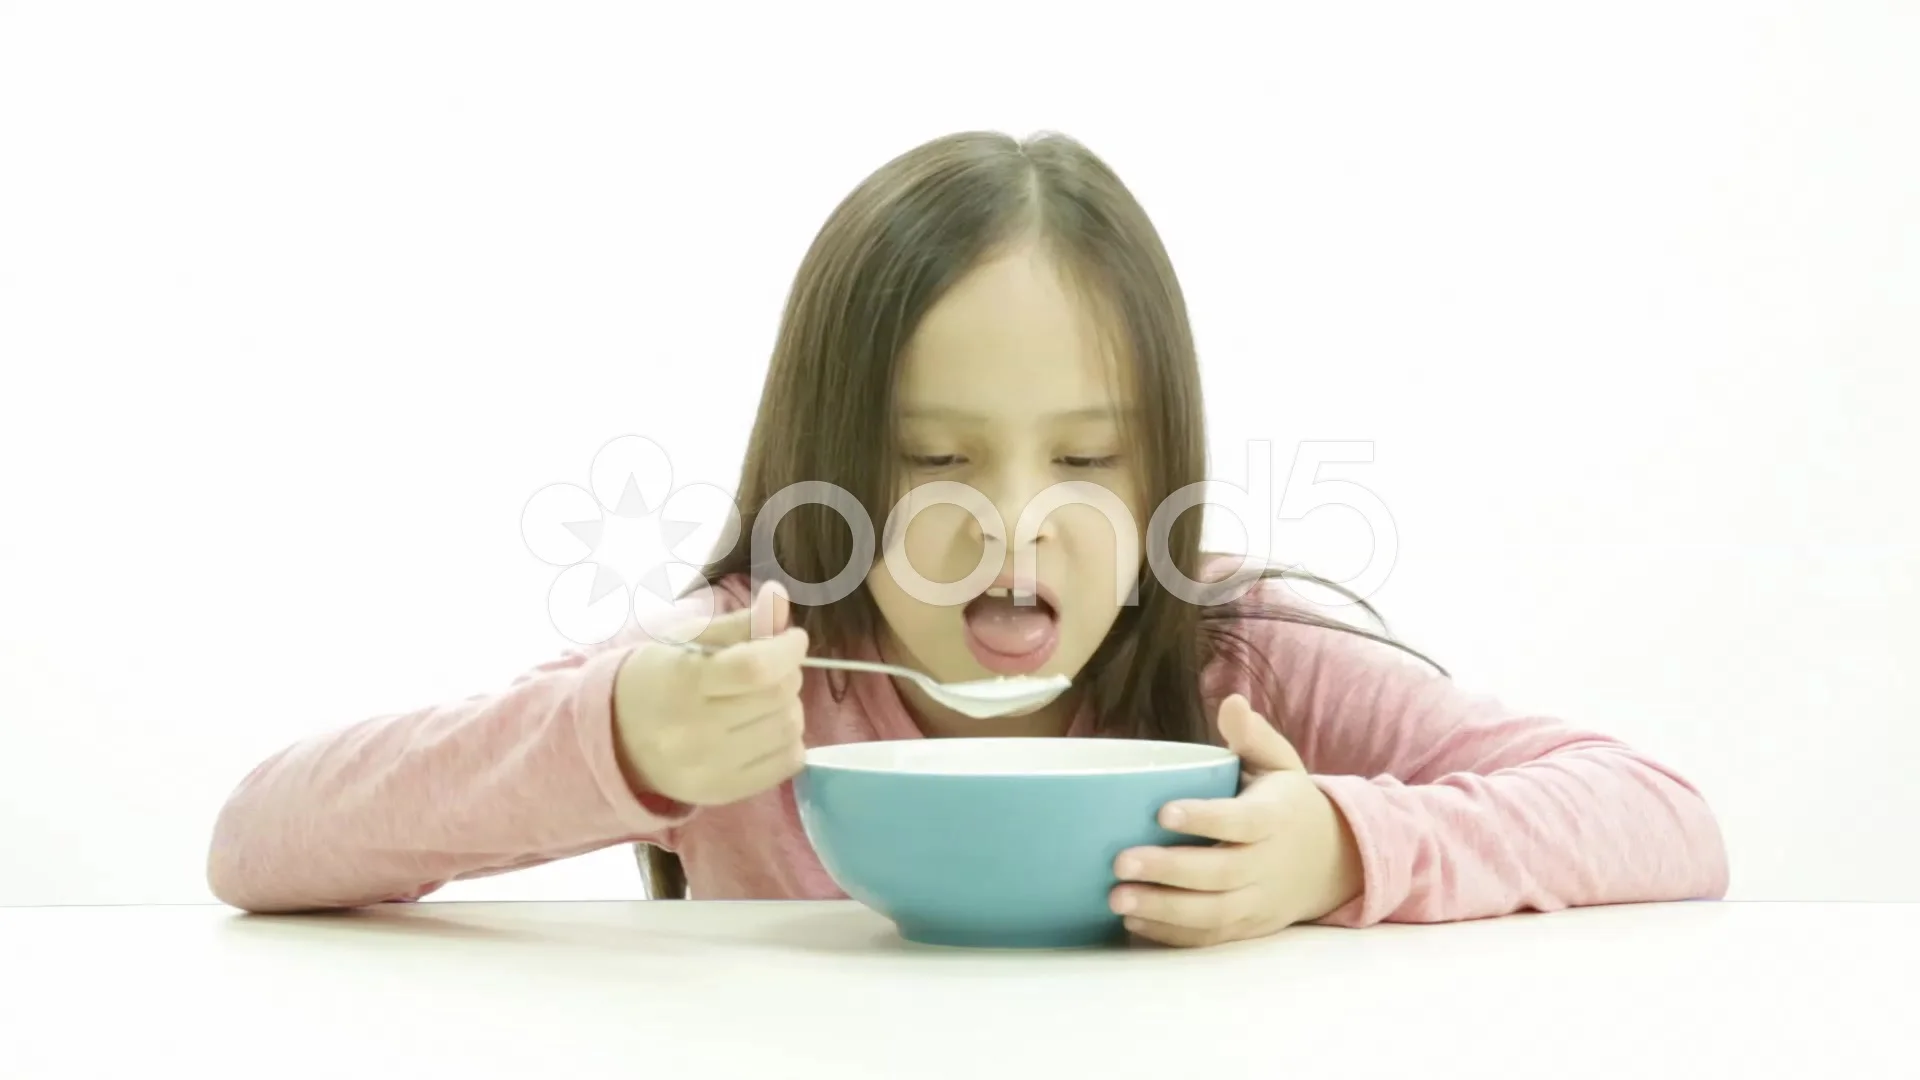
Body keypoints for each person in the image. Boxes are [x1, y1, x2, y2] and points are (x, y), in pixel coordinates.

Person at [205, 130, 1729, 947]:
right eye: (935, 460)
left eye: (1087, 460)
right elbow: (263, 842)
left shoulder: (1236, 663)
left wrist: (1339, 844)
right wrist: (620, 739)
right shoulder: (750, 665)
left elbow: (1661, 816)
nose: (1014, 523)